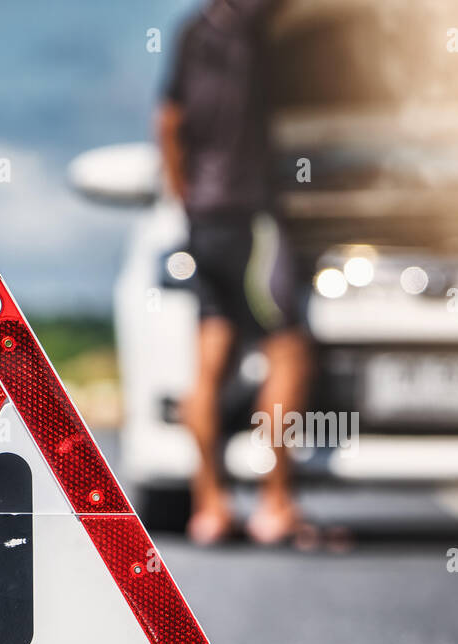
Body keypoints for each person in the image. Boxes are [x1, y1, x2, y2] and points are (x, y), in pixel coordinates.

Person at [156, 0, 310, 546]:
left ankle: (210, 505)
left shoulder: (193, 31)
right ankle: (276, 503)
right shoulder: (256, 24)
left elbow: (168, 120)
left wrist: (184, 195)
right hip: (250, 218)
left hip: (204, 220)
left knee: (210, 356)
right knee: (285, 349)